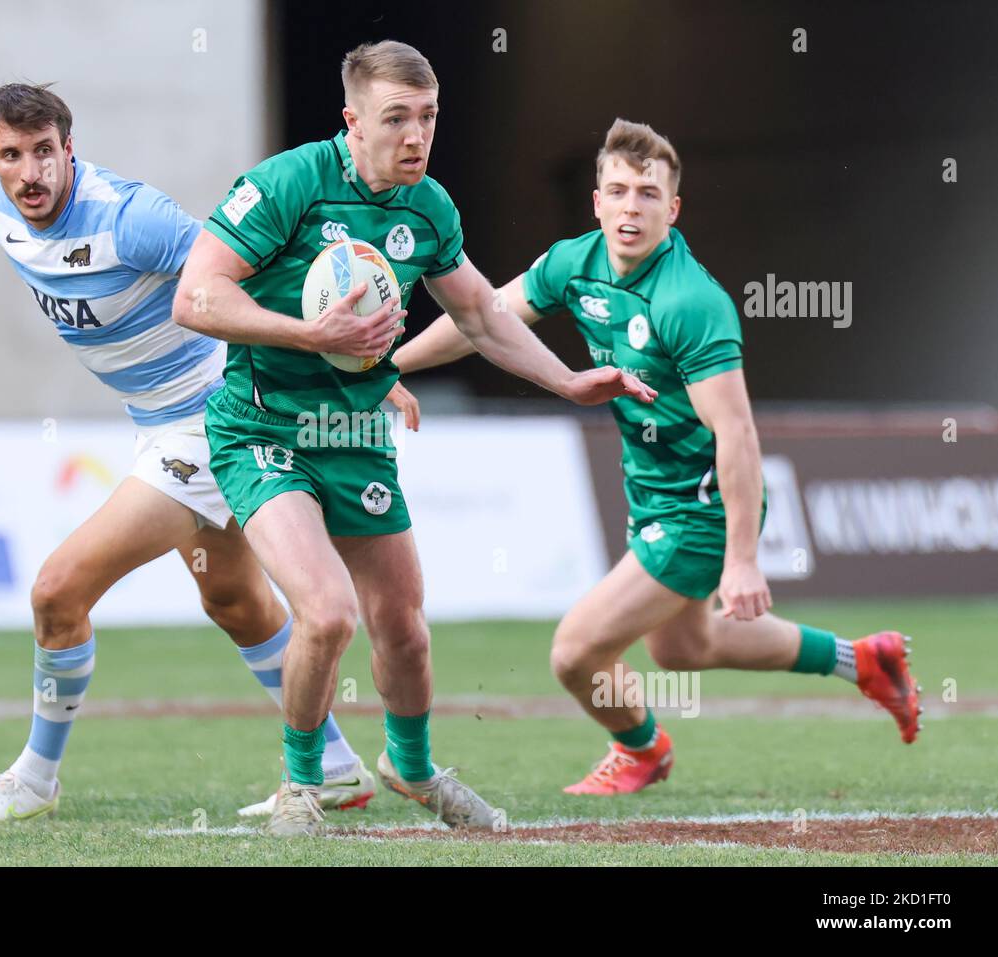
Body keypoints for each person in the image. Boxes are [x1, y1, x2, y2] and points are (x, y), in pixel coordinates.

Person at [0, 82, 375, 821]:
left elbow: (236, 266)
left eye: (44, 153)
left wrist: (350, 362)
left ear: (70, 149)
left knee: (58, 590)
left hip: (215, 419)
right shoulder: (3, 211)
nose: (30, 173)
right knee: (234, 598)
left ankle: (34, 778)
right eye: (11, 156)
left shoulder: (131, 219)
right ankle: (338, 760)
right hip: (162, 424)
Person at [173, 43, 655, 835]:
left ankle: (412, 764)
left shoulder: (427, 207)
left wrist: (568, 380)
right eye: (396, 118)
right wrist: (307, 331)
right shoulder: (286, 184)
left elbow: (480, 315)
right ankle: (302, 785)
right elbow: (196, 298)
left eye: (427, 117)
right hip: (263, 428)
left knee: (404, 624)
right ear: (352, 122)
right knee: (326, 614)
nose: (415, 135)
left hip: (358, 431)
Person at [393, 118, 922, 795]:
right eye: (617, 191)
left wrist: (742, 559)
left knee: (577, 650)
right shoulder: (572, 264)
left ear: (672, 209)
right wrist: (386, 365)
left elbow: (738, 434)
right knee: (683, 647)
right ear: (596, 202)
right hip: (651, 489)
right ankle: (865, 661)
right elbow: (482, 318)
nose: (630, 207)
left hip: (702, 502)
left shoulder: (690, 301)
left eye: (648, 194)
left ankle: (640, 748)